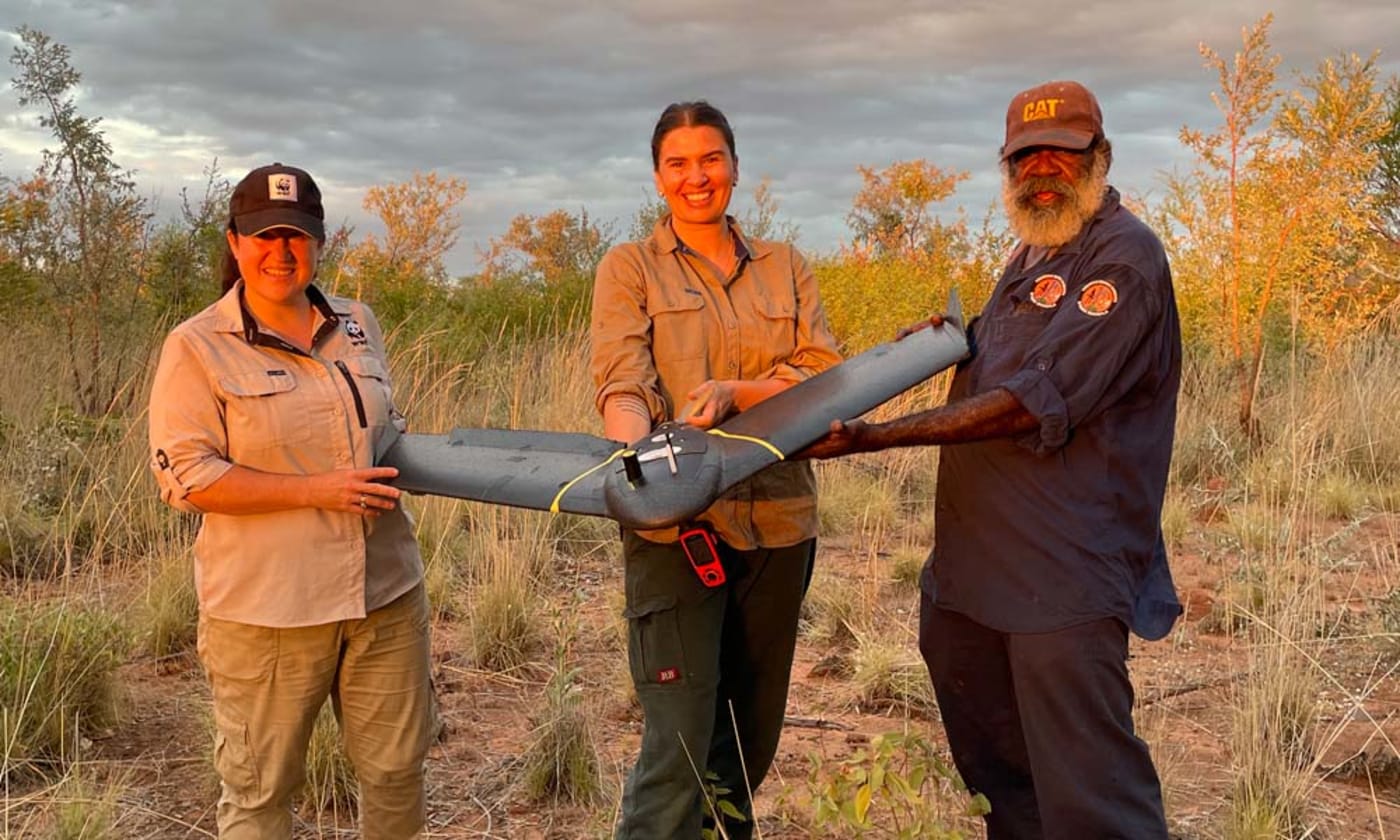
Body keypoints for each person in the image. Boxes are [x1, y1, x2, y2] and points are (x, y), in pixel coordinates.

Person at [804, 80, 1182, 838]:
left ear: (1099, 157)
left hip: (1063, 581)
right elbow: (1003, 358)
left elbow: (1029, 401)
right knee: (1006, 789)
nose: (1044, 171)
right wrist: (948, 342)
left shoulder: (1123, 263)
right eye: (1026, 157)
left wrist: (876, 436)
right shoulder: (1035, 247)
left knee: (1093, 804)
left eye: (1063, 155)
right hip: (973, 580)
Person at [147, 163, 433, 839]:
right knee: (260, 794)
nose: (282, 252)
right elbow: (185, 478)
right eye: (265, 236)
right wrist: (317, 491)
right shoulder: (197, 346)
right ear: (236, 243)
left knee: (397, 775)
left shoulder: (357, 323)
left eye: (297, 236)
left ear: (320, 241)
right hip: (269, 613)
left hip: (385, 596)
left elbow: (385, 436)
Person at [590, 101, 843, 839]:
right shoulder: (628, 267)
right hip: (678, 529)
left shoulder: (785, 265)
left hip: (778, 521)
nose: (696, 176)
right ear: (658, 177)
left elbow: (825, 372)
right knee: (676, 746)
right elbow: (622, 380)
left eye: (710, 159)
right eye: (679, 163)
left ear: (734, 166)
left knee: (747, 744)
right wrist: (639, 464)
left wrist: (739, 394)